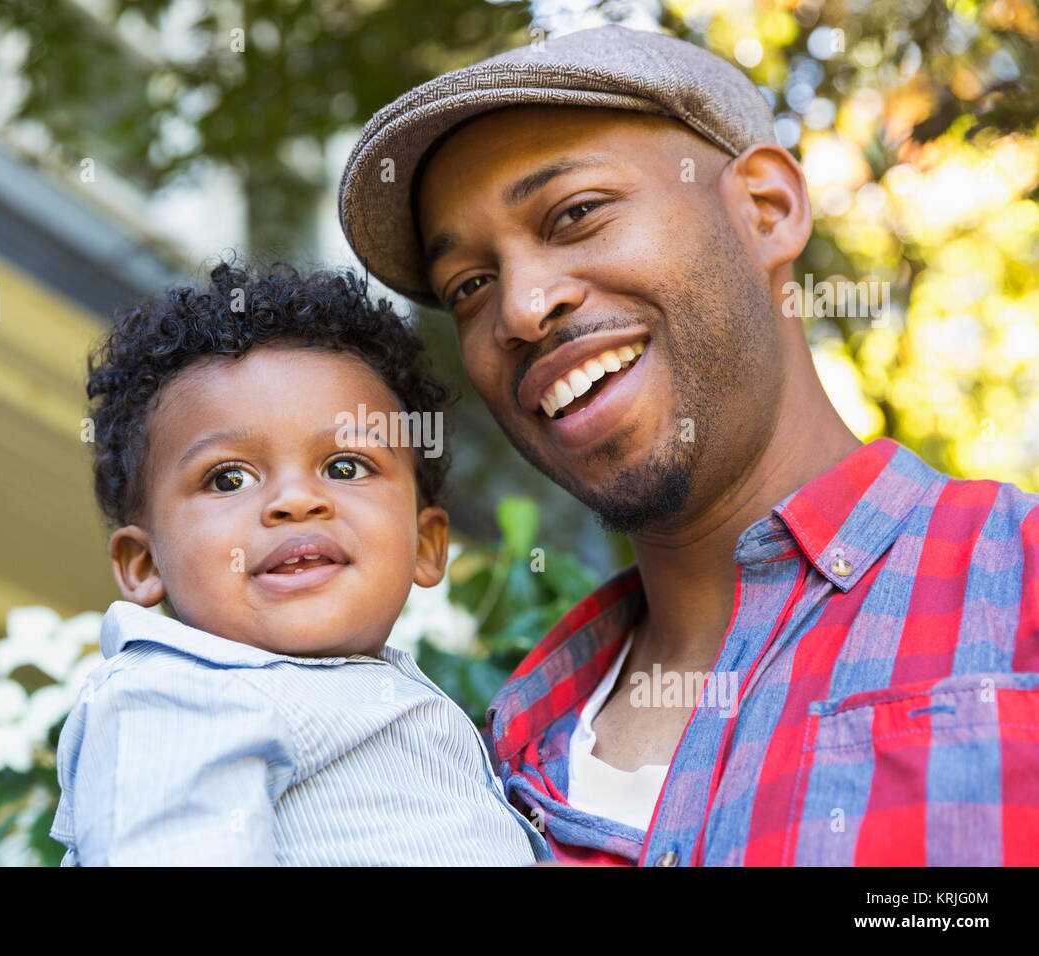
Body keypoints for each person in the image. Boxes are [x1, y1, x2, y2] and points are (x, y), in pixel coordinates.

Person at [337, 24, 1039, 866]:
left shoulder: (1018, 583)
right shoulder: (484, 770)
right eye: (471, 286)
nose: (521, 308)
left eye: (575, 213)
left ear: (766, 211)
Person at [49, 260, 551, 865]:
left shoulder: (385, 699)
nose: (294, 501)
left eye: (345, 467)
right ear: (142, 562)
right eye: (229, 477)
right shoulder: (176, 695)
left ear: (425, 545)